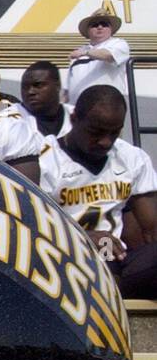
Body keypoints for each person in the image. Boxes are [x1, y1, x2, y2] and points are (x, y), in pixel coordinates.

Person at [39, 85, 157, 298]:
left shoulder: (132, 157)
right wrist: (81, 236)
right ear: (74, 119)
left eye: (114, 132)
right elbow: (31, 226)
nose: (106, 142)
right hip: (65, 256)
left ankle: (109, 293)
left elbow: (152, 230)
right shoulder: (44, 159)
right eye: (96, 132)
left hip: (115, 257)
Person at [66, 7, 130, 102]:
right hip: (78, 110)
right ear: (88, 31)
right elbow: (68, 85)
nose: (99, 27)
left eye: (104, 24)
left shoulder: (118, 44)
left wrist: (85, 53)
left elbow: (109, 56)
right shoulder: (80, 51)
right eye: (95, 25)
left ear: (111, 29)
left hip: (107, 106)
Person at [17, 61, 73, 140]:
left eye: (38, 85)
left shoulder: (79, 117)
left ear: (58, 85)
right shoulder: (5, 123)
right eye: (25, 87)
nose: (30, 92)